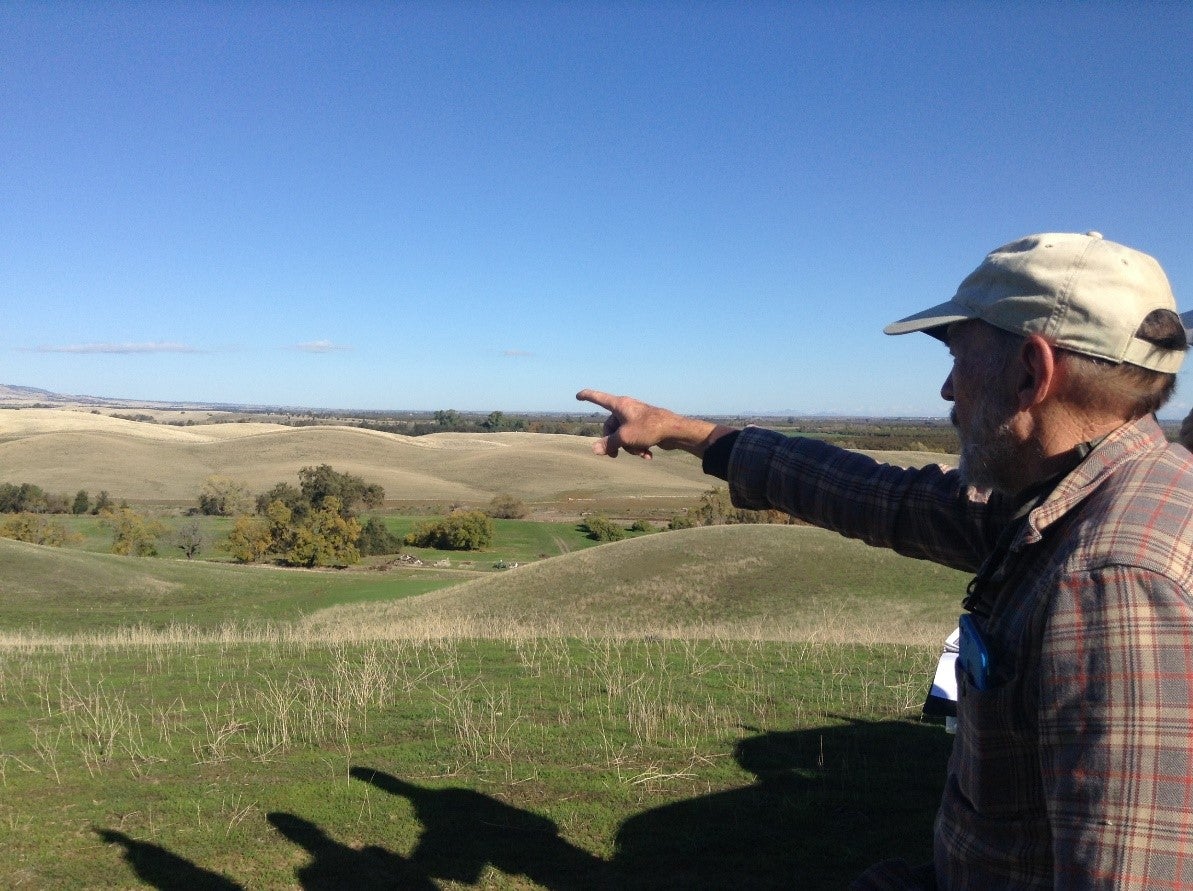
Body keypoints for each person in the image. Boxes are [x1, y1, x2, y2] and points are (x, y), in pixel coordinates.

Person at [578, 231, 1193, 889]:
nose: (947, 389)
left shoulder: (1112, 579)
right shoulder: (1082, 497)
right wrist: (686, 432)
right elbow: (882, 498)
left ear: (1030, 372)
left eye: (959, 358)